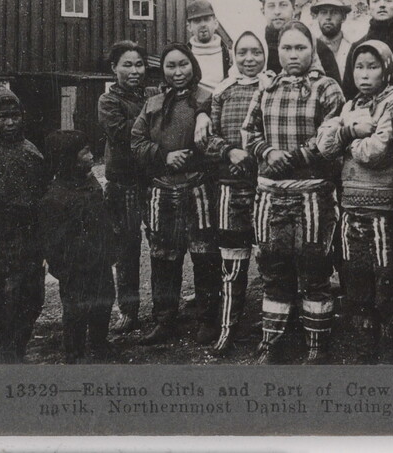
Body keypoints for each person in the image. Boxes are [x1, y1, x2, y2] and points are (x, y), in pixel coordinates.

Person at [242, 21, 345, 364]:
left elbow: (333, 135)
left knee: (315, 267)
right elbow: (249, 131)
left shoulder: (327, 88)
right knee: (274, 269)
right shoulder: (266, 88)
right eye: (286, 48)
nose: (293, 54)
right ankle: (273, 342)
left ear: (312, 50)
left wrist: (298, 157)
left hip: (311, 195)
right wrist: (268, 153)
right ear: (278, 51)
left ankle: (317, 345)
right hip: (271, 195)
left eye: (300, 47)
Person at [312, 40, 393, 363]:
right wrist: (350, 131)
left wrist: (345, 139)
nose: (364, 74)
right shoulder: (350, 105)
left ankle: (391, 349)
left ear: (388, 69)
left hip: (385, 208)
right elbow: (324, 146)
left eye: (373, 66)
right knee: (357, 280)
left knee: (388, 280)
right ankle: (364, 345)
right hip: (352, 205)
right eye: (359, 67)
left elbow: (376, 152)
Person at [130, 43, 217, 345]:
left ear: (193, 65)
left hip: (198, 188)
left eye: (183, 64)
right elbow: (136, 142)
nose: (178, 72)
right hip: (163, 189)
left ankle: (208, 319)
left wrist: (203, 123)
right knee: (163, 257)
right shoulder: (152, 104)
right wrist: (163, 156)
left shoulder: (208, 97)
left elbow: (218, 138)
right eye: (171, 66)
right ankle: (165, 319)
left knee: (205, 255)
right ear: (163, 70)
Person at [203, 30, 269, 353]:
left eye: (256, 52)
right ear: (233, 56)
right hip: (231, 187)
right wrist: (229, 151)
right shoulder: (223, 91)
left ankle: (272, 330)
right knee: (232, 263)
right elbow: (210, 137)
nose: (249, 59)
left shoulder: (273, 86)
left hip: (267, 188)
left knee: (270, 260)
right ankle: (228, 328)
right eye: (242, 52)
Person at [0, 85, 48, 363]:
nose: (10, 123)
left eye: (15, 116)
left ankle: (19, 348)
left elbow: (42, 194)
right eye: (2, 117)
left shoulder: (31, 152)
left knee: (30, 296)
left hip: (28, 236)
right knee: (1, 300)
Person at [40, 129, 114, 363]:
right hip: (75, 268)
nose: (92, 156)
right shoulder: (55, 196)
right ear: (67, 159)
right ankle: (75, 352)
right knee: (76, 310)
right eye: (85, 152)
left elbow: (103, 220)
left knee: (104, 300)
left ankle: (100, 343)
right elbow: (52, 241)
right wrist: (61, 268)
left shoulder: (90, 182)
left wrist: (109, 250)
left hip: (99, 260)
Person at [96, 41, 155, 333]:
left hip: (153, 179)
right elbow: (122, 134)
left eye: (139, 64)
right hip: (124, 183)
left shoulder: (152, 95)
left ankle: (163, 308)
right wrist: (154, 122)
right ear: (114, 68)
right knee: (127, 249)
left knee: (160, 245)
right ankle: (129, 311)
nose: (134, 71)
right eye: (127, 65)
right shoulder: (109, 101)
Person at [255, 0, 341, 82]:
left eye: (283, 5)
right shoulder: (256, 49)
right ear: (263, 11)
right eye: (271, 6)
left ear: (294, 9)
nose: (277, 12)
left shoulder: (317, 48)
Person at [185, 0, 232, 93]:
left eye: (207, 19)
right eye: (197, 20)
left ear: (215, 23)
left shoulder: (230, 56)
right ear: (189, 27)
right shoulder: (184, 56)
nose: (203, 24)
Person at [309, 0, 352, 70]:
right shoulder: (310, 48)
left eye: (334, 12)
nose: (328, 17)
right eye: (323, 12)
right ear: (317, 16)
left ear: (343, 17)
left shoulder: (352, 47)